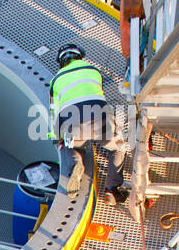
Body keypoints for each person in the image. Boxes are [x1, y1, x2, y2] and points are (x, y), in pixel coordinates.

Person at [48, 44, 127, 204]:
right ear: (80, 56)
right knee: (117, 148)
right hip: (100, 116)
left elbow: (54, 112)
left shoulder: (55, 80)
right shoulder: (93, 70)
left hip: (71, 121)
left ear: (61, 61)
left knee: (70, 147)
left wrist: (56, 137)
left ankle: (76, 164)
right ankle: (112, 189)